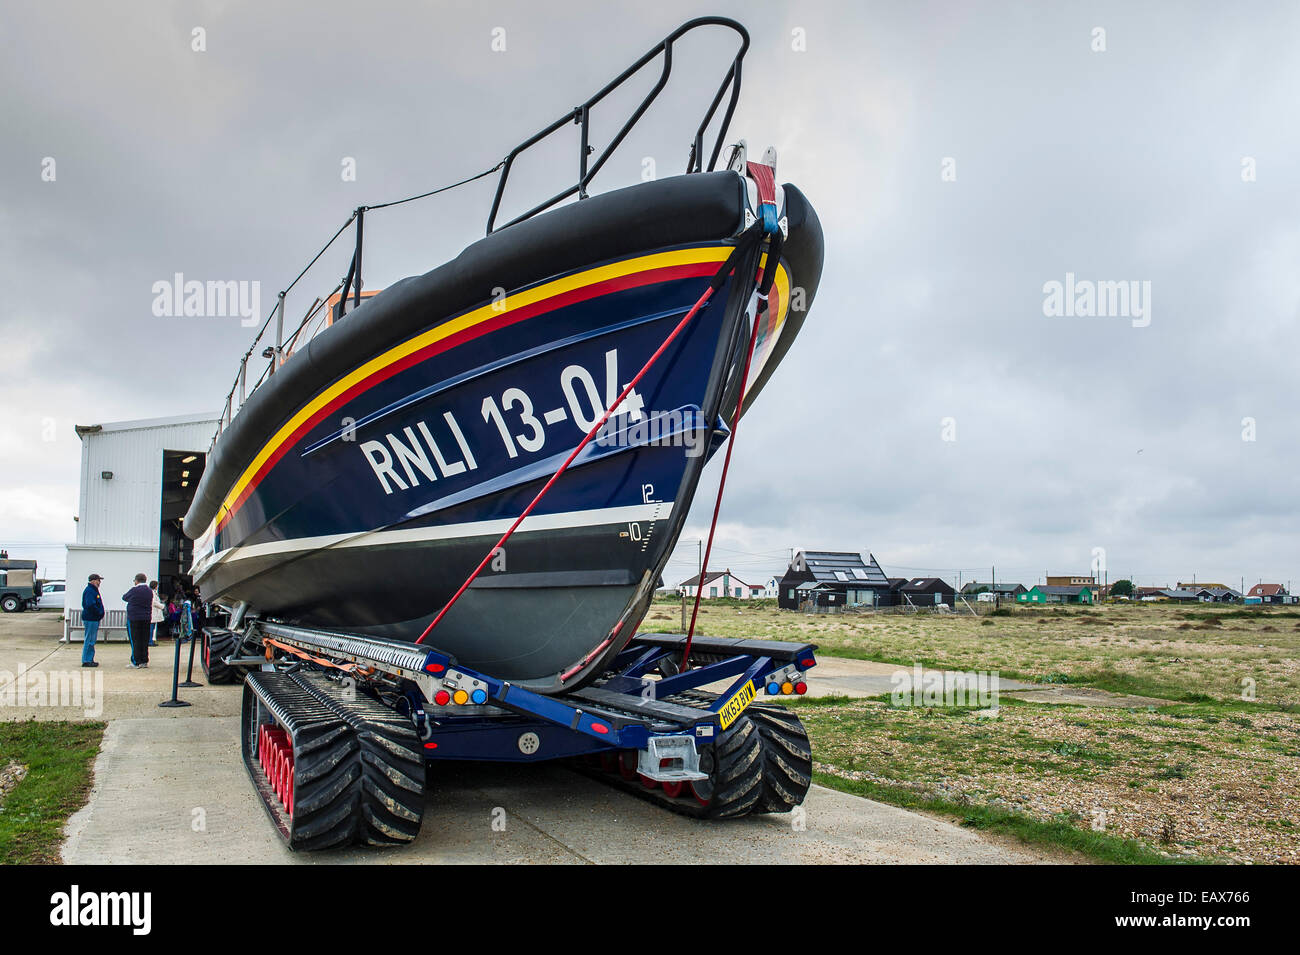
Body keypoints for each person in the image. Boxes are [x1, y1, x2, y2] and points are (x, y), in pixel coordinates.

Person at [122, 573, 153, 668]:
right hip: (146, 618)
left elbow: (124, 597)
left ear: (136, 580)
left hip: (134, 618)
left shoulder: (134, 590)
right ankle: (144, 660)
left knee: (135, 640)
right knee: (144, 640)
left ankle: (136, 661)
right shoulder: (149, 591)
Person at [80, 574, 104, 668]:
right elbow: (90, 605)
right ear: (93, 581)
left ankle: (90, 659)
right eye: (98, 580)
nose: (99, 583)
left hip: (93, 618)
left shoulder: (93, 590)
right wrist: (99, 613)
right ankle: (86, 660)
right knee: (89, 639)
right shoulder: (90, 591)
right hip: (91, 618)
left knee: (91, 640)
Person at [149, 580, 163, 646]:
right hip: (153, 613)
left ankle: (151, 640)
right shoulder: (152, 593)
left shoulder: (154, 592)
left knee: (153, 628)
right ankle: (150, 641)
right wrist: (162, 606)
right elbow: (154, 602)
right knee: (151, 628)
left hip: (154, 613)